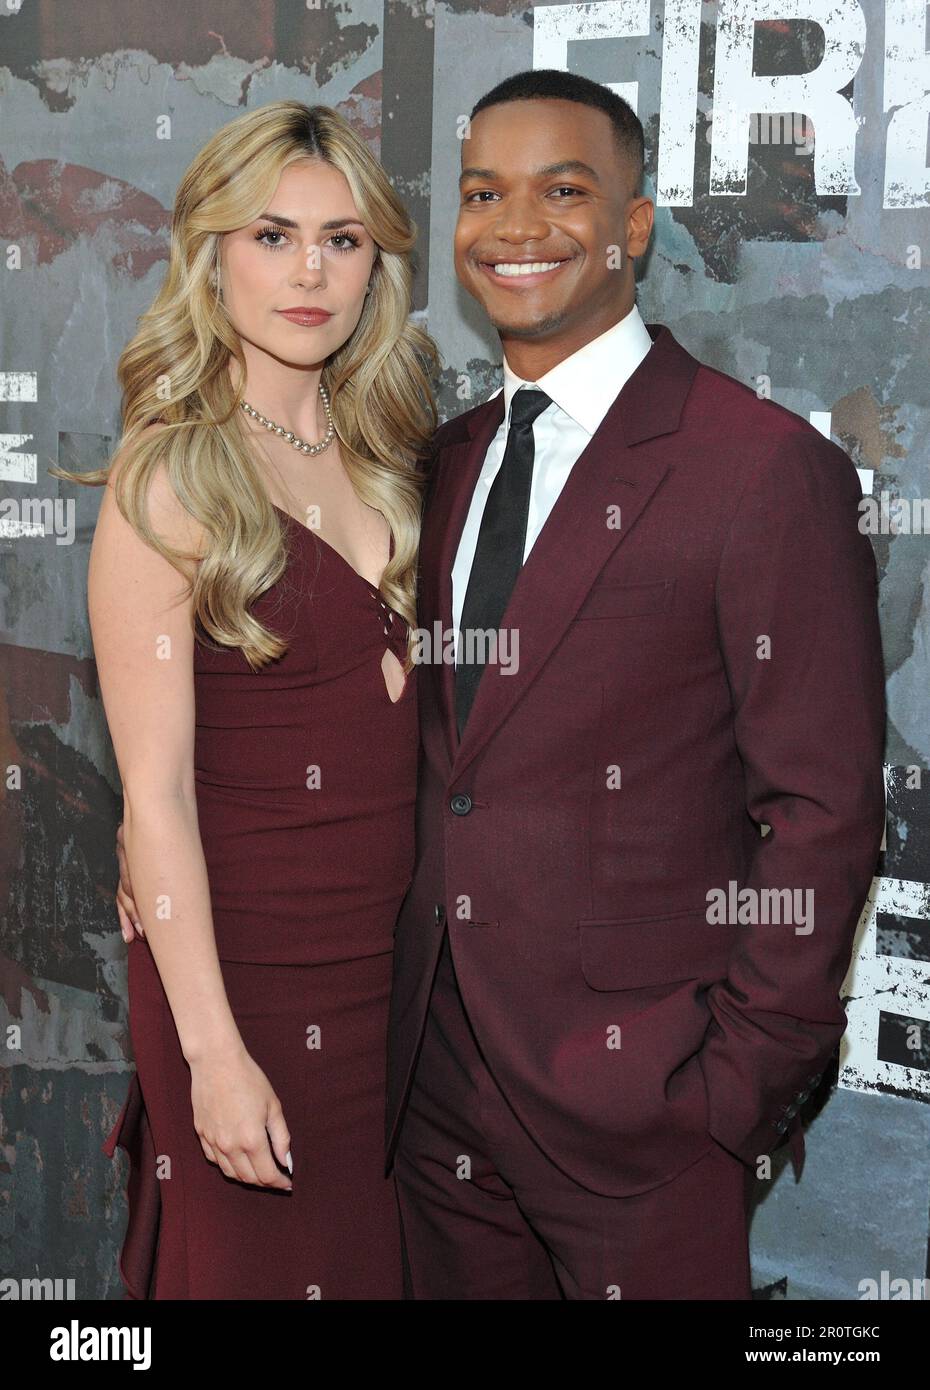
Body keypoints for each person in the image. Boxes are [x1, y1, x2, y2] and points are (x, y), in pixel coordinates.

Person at [382, 70, 887, 1299]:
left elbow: (821, 810)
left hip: (645, 1115)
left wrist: (733, 1085)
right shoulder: (438, 463)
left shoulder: (761, 471)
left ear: (637, 222)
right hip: (433, 1091)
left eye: (565, 191)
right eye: (484, 192)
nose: (517, 228)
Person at [63, 99, 438, 1299]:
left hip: (396, 980)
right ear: (210, 253)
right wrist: (212, 1055)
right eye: (272, 236)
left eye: (342, 239)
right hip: (242, 977)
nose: (311, 271)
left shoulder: (397, 449)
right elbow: (155, 797)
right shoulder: (169, 477)